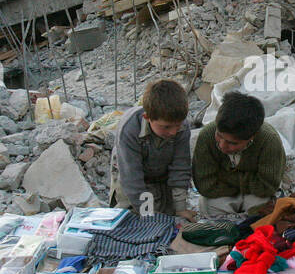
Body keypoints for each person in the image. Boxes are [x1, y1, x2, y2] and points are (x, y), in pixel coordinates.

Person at [193, 91, 286, 217]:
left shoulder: (269, 141)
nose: (222, 146)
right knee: (208, 205)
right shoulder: (207, 135)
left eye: (232, 143)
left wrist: (223, 176)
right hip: (223, 194)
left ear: (251, 137)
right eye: (219, 136)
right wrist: (248, 180)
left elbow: (267, 186)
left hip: (254, 195)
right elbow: (205, 186)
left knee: (263, 210)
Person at [111, 79, 194, 220]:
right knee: (131, 219)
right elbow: (132, 179)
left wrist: (180, 208)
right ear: (147, 118)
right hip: (131, 178)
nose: (174, 132)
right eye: (166, 127)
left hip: (163, 177)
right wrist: (148, 215)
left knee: (168, 217)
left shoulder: (182, 126)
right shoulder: (130, 129)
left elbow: (180, 168)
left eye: (177, 126)